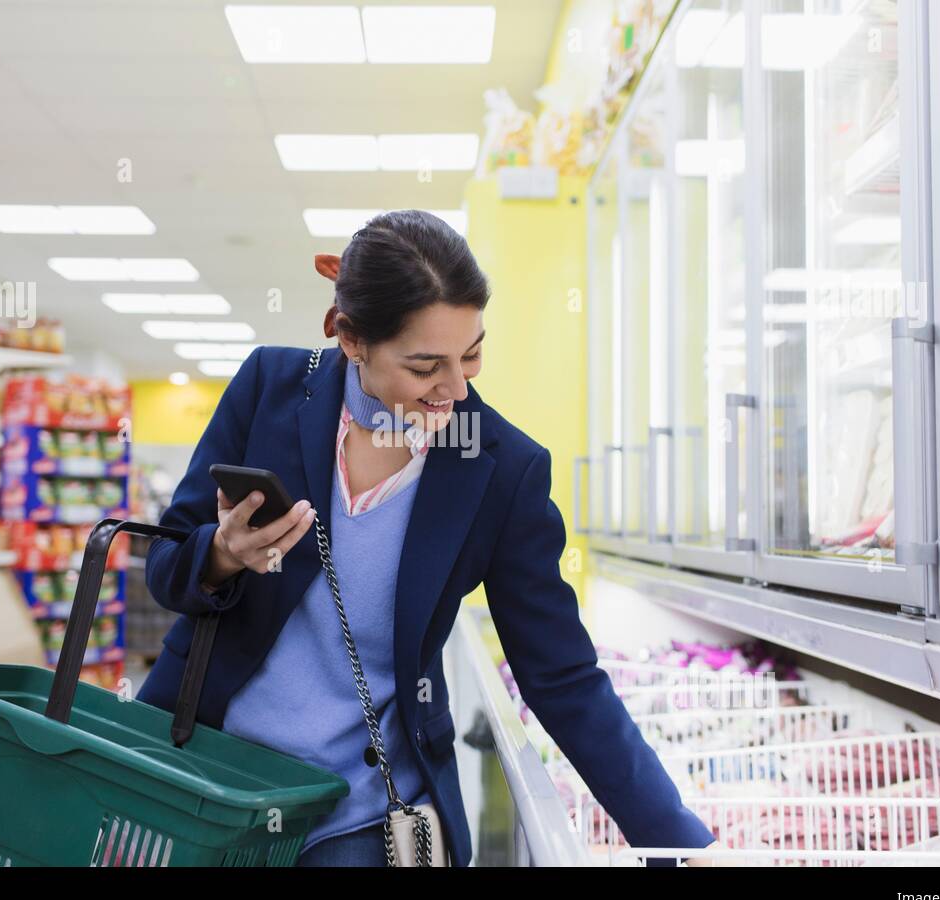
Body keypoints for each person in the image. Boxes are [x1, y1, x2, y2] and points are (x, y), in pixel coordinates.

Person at [136, 209, 716, 866]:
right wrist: (218, 556)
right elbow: (165, 562)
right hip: (207, 776)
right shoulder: (271, 387)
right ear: (352, 340)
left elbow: (560, 674)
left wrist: (673, 837)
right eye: (424, 366)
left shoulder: (503, 469)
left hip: (356, 813)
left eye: (471, 354)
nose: (455, 389)